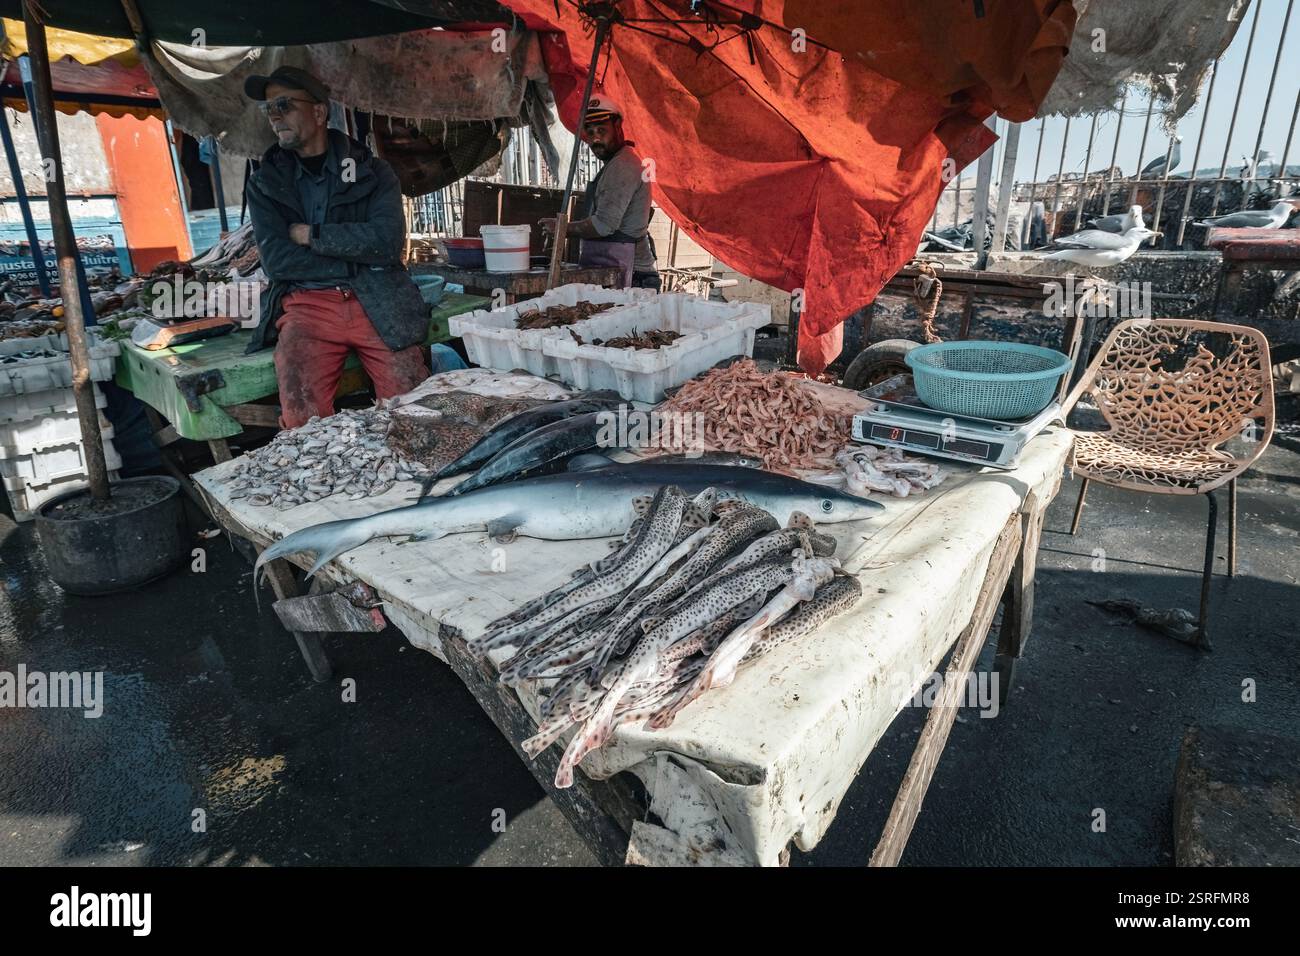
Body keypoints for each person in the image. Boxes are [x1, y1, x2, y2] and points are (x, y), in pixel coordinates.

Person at [242, 66, 430, 429]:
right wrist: (353, 253)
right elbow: (280, 262)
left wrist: (312, 235)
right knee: (302, 419)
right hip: (308, 308)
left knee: (413, 411)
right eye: (269, 109)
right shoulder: (265, 183)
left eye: (284, 105)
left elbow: (387, 243)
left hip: (377, 299)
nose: (275, 116)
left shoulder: (373, 172)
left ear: (318, 111)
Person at [541, 94, 660, 290]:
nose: (595, 138)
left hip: (633, 276)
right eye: (590, 132)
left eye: (602, 130)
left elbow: (604, 225)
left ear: (617, 128)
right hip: (617, 271)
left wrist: (562, 229)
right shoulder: (614, 165)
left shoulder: (623, 166)